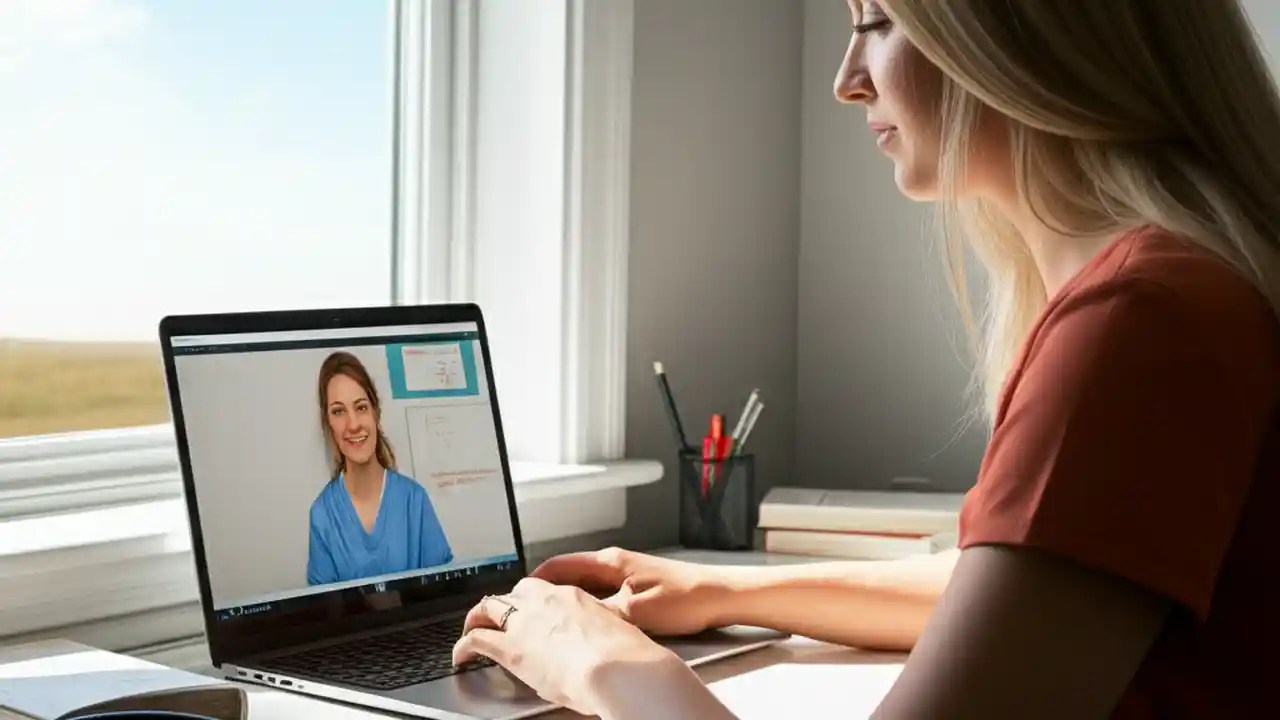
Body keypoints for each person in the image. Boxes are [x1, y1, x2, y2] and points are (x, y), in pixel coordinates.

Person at [451, 1, 1280, 718]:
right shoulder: (1190, 288)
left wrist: (600, 664)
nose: (848, 78)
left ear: (1020, 36)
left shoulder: (1138, 324)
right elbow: (1024, 593)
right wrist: (724, 592)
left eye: (878, 23)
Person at [307, 351, 452, 585]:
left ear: (376, 413)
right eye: (338, 411)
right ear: (328, 423)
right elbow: (327, 613)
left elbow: (444, 591)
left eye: (361, 407)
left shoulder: (414, 499)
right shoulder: (322, 515)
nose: (353, 425)